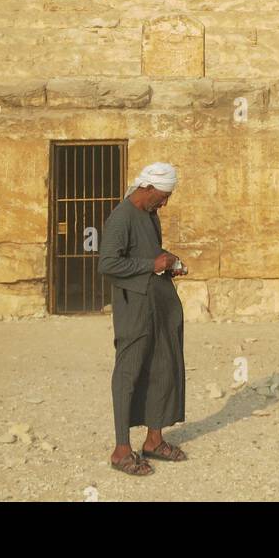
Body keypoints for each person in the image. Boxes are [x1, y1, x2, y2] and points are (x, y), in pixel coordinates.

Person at [98, 161, 188, 475]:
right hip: (134, 307)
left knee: (163, 367)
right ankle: (121, 449)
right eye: (162, 196)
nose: (165, 202)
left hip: (158, 305)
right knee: (130, 371)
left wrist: (168, 261)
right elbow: (108, 264)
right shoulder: (121, 217)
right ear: (147, 188)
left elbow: (148, 253)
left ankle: (154, 440)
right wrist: (151, 265)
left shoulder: (149, 215)